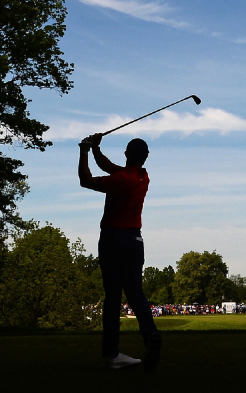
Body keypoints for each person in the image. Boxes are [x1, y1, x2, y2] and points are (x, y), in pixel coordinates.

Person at [79, 134, 162, 371]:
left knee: (113, 298)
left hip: (113, 240)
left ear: (126, 154)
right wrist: (95, 148)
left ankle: (112, 354)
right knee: (136, 294)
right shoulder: (141, 177)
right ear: (145, 158)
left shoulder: (121, 180)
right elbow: (108, 166)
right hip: (135, 240)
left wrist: (83, 150)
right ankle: (151, 335)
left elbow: (85, 180)